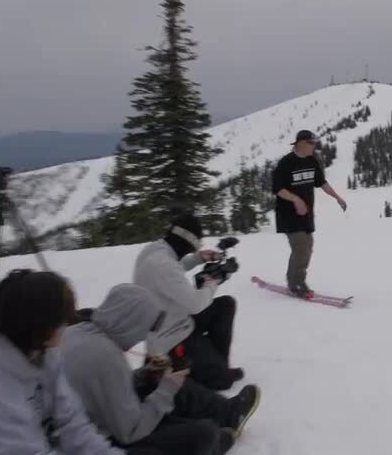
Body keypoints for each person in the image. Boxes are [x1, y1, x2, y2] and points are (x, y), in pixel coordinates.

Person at [60, 283, 260, 455]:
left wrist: (144, 375)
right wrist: (167, 389)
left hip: (95, 420)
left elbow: (105, 388)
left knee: (156, 384)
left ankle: (228, 414)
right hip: (100, 441)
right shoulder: (107, 356)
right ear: (132, 322)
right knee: (202, 433)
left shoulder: (78, 332)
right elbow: (130, 431)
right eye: (145, 328)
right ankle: (212, 441)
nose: (142, 337)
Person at [0, 268, 124, 455]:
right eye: (60, 320)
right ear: (38, 325)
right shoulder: (0, 385)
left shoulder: (46, 356)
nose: (66, 326)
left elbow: (73, 424)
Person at [133, 214, 242, 391]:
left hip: (178, 321)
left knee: (225, 305)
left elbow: (176, 265)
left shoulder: (156, 251)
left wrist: (199, 258)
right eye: (194, 245)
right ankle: (192, 370)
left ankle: (218, 365)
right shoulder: (162, 265)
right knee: (223, 382)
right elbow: (196, 303)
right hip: (170, 338)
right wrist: (212, 282)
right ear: (186, 240)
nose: (193, 249)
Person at [272, 129, 348, 298]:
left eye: (314, 143)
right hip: (288, 214)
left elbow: (322, 183)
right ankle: (295, 283)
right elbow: (277, 189)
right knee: (301, 248)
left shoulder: (312, 161)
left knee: (308, 247)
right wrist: (296, 200)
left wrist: (337, 197)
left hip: (306, 214)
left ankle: (299, 279)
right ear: (300, 143)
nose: (314, 146)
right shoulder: (286, 163)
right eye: (311, 143)